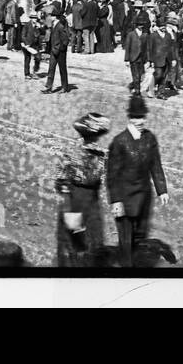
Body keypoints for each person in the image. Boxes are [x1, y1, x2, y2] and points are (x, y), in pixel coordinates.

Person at [107, 95, 169, 267]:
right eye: (136, 117)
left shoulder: (150, 139)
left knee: (140, 235)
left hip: (143, 196)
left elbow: (156, 165)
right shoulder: (119, 142)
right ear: (130, 118)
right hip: (124, 198)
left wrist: (162, 190)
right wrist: (115, 200)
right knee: (126, 240)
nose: (140, 121)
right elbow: (112, 175)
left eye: (142, 117)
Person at [54, 111, 111, 268]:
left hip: (89, 198)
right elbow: (62, 181)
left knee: (91, 237)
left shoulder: (99, 154)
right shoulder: (74, 151)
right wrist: (69, 208)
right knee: (75, 238)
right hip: (76, 197)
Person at [41, 11, 73, 94]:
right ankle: (48, 87)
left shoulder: (61, 25)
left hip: (60, 52)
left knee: (62, 69)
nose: (50, 18)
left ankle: (64, 87)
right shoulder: (54, 24)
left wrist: (60, 49)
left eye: (51, 16)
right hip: (54, 50)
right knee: (51, 69)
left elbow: (65, 40)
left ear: (55, 17)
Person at [147, 14, 175, 98]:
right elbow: (149, 49)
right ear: (158, 26)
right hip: (157, 59)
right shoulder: (153, 36)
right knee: (158, 75)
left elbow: (171, 48)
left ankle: (160, 93)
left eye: (164, 25)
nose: (164, 27)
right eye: (162, 26)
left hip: (167, 59)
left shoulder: (168, 35)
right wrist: (149, 60)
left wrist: (173, 59)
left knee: (164, 77)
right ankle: (150, 89)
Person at [124, 16, 148, 94]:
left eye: (142, 24)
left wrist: (147, 59)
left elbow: (147, 48)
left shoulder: (145, 35)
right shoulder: (131, 34)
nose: (141, 26)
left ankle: (132, 85)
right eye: (140, 24)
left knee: (141, 76)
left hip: (142, 58)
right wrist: (126, 59)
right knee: (136, 75)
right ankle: (137, 91)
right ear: (136, 25)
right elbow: (127, 47)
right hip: (133, 58)